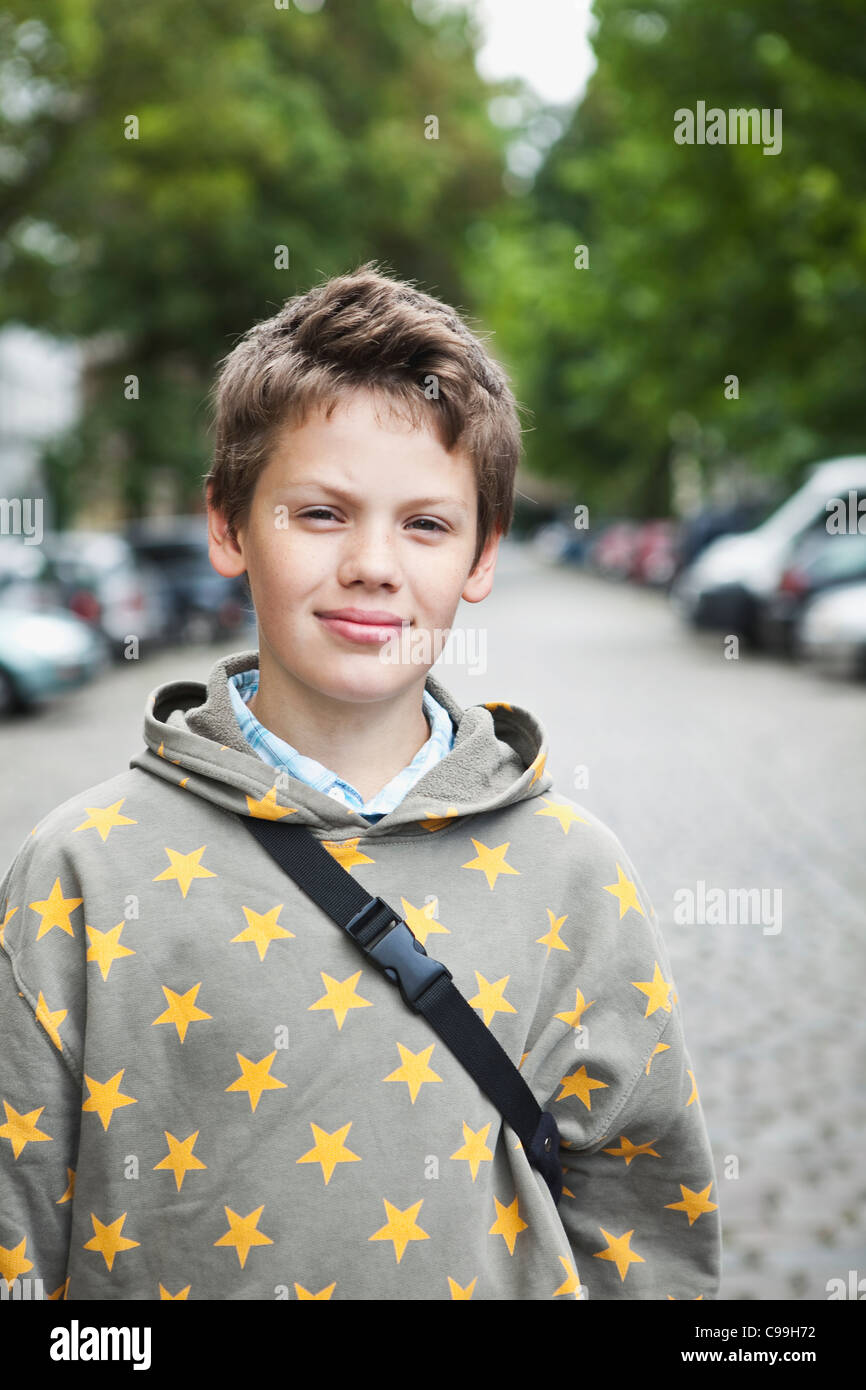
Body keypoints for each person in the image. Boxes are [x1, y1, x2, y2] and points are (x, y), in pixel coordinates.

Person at [0, 262, 721, 1301]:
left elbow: (646, 1228)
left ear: (480, 555)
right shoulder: (79, 870)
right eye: (320, 514)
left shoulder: (576, 874)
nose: (374, 565)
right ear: (227, 523)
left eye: (425, 524)